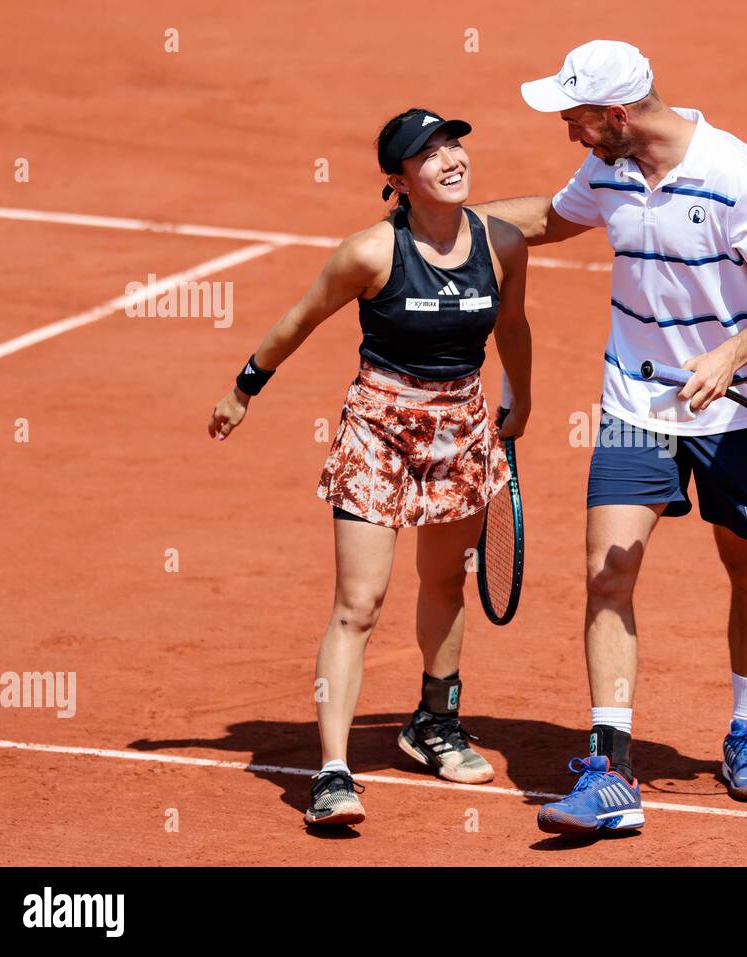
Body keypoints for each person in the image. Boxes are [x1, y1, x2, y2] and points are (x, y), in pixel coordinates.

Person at [476, 41, 747, 835]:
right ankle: (609, 767)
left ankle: (746, 732)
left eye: (578, 118)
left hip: (733, 412)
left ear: (619, 115)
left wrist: (729, 357)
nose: (570, 132)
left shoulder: (739, 176)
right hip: (633, 403)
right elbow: (550, 220)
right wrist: (441, 221)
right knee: (605, 578)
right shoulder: (606, 171)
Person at [209, 108, 532, 827]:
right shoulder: (370, 253)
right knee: (359, 604)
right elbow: (301, 318)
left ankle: (433, 722)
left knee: (446, 580)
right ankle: (331, 771)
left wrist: (523, 396)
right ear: (398, 180)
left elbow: (511, 324)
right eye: (430, 154)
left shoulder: (502, 242)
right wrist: (242, 389)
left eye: (454, 145)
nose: (451, 160)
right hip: (379, 429)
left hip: (463, 425)